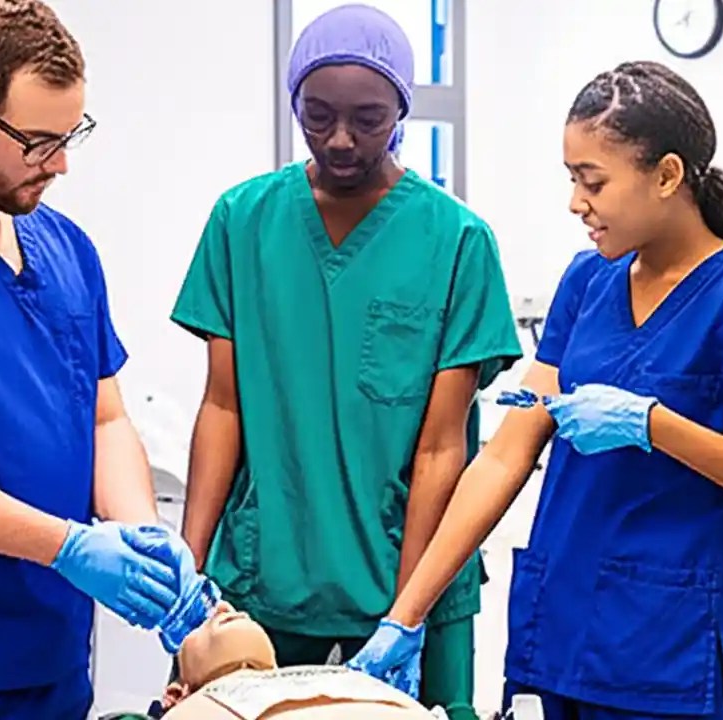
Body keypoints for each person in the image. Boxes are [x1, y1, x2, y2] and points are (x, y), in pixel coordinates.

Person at [347, 60, 723, 720]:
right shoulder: (588, 281)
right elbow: (505, 456)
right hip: (561, 631)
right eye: (573, 179)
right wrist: (406, 616)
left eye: (592, 182)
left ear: (666, 175)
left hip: (664, 647)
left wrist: (654, 425)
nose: (576, 202)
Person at [170, 5, 522, 720]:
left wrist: (406, 613)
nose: (339, 138)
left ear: (403, 109)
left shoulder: (457, 241)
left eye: (368, 118)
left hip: (411, 570)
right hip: (271, 571)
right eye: (317, 114)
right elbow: (223, 407)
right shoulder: (243, 220)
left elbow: (440, 444)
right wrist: (189, 567)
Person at [0, 1, 200, 717]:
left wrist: (137, 529)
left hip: (51, 661)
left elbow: (106, 419)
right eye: (37, 141)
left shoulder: (66, 249)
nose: (59, 164)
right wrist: (67, 547)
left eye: (70, 134)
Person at [140, 602, 439, 720]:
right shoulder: (194, 709)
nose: (222, 606)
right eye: (203, 624)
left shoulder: (341, 678)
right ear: (176, 694)